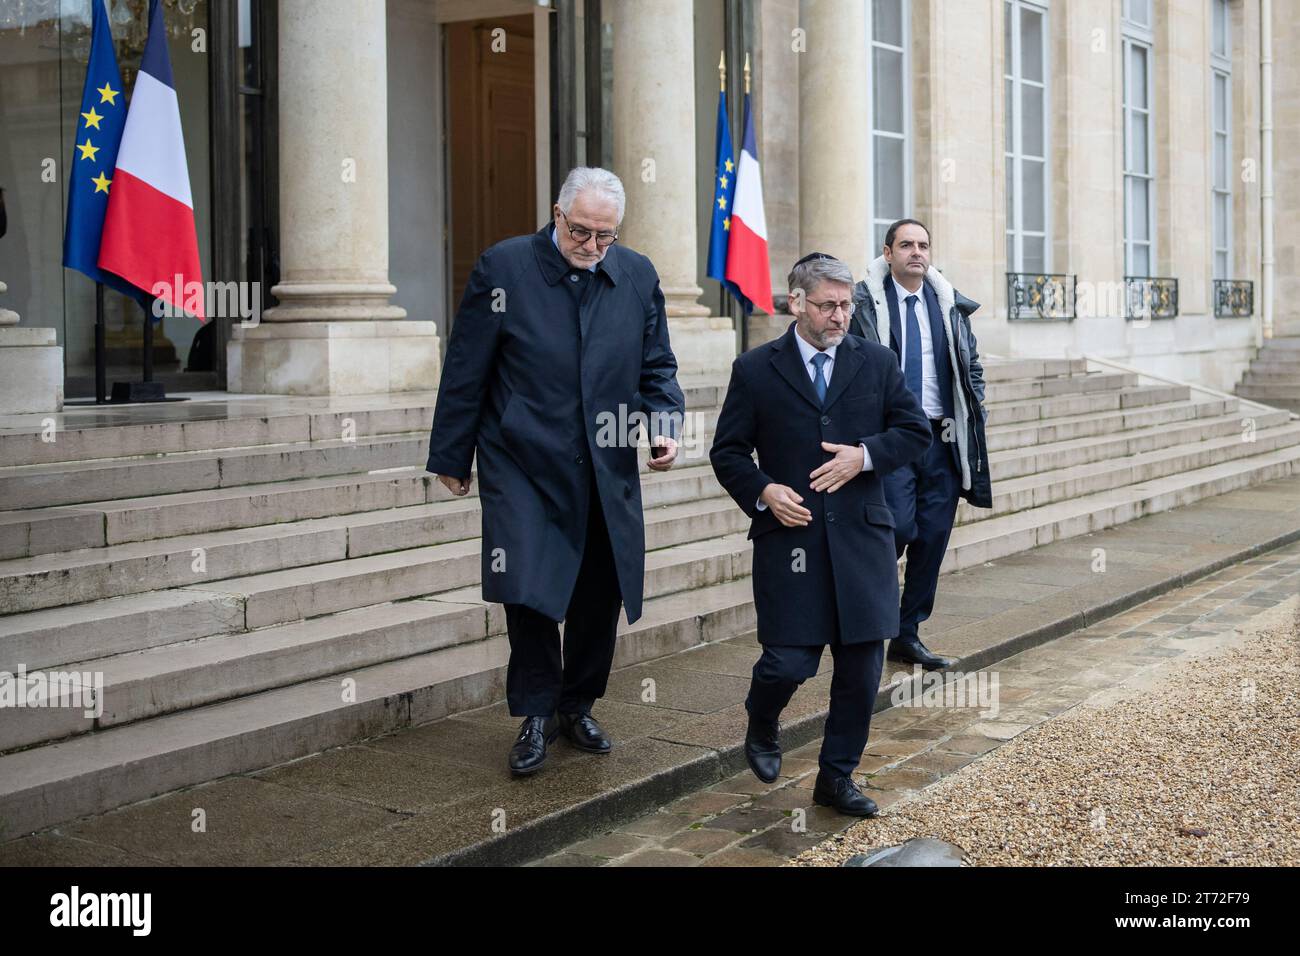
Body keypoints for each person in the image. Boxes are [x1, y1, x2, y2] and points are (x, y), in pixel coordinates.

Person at [425, 166, 685, 776]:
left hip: (605, 460)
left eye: (605, 235)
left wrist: (665, 423)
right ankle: (536, 713)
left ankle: (577, 704)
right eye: (581, 231)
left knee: (601, 588)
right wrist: (451, 455)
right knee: (530, 590)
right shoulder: (504, 267)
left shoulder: (637, 274)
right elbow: (466, 366)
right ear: (557, 214)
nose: (592, 246)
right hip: (521, 458)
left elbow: (657, 365)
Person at [709, 252, 931, 815]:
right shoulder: (754, 369)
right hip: (791, 541)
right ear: (796, 303)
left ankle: (836, 778)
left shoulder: (876, 361)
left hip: (863, 540)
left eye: (846, 305)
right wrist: (764, 490)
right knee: (788, 662)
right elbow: (728, 452)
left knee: (861, 672)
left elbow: (915, 432)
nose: (840, 316)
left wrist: (864, 455)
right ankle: (761, 719)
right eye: (828, 305)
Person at [850, 219, 992, 671]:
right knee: (896, 530)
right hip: (892, 439)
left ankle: (907, 634)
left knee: (932, 538)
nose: (916, 252)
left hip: (942, 437)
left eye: (923, 245)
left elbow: (971, 366)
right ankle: (866, 623)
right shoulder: (864, 304)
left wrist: (975, 406)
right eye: (906, 245)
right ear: (888, 253)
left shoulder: (949, 304)